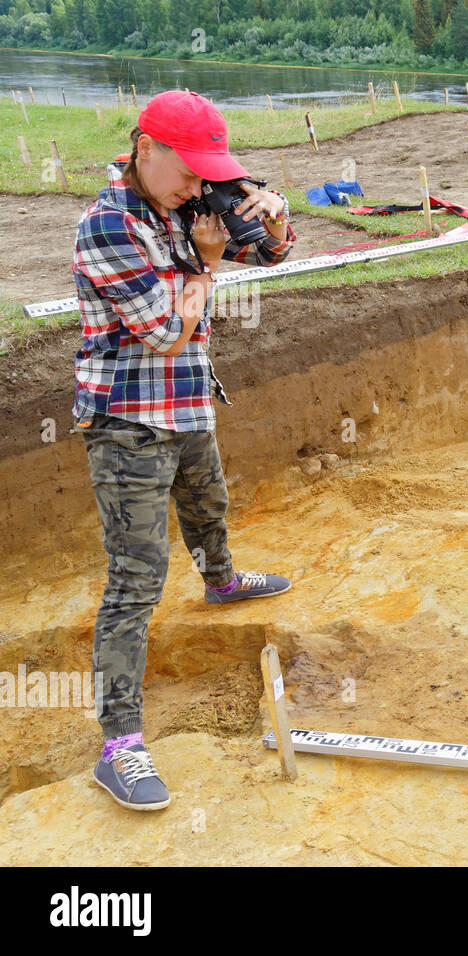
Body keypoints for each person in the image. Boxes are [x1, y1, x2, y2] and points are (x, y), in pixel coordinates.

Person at [74, 90, 299, 809]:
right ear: (145, 148)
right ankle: (120, 745)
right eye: (190, 171)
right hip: (128, 421)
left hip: (185, 400)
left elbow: (267, 254)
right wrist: (204, 265)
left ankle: (221, 581)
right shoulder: (108, 226)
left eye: (210, 173)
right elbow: (167, 332)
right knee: (136, 577)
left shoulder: (184, 202)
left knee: (209, 504)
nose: (201, 186)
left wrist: (274, 217)